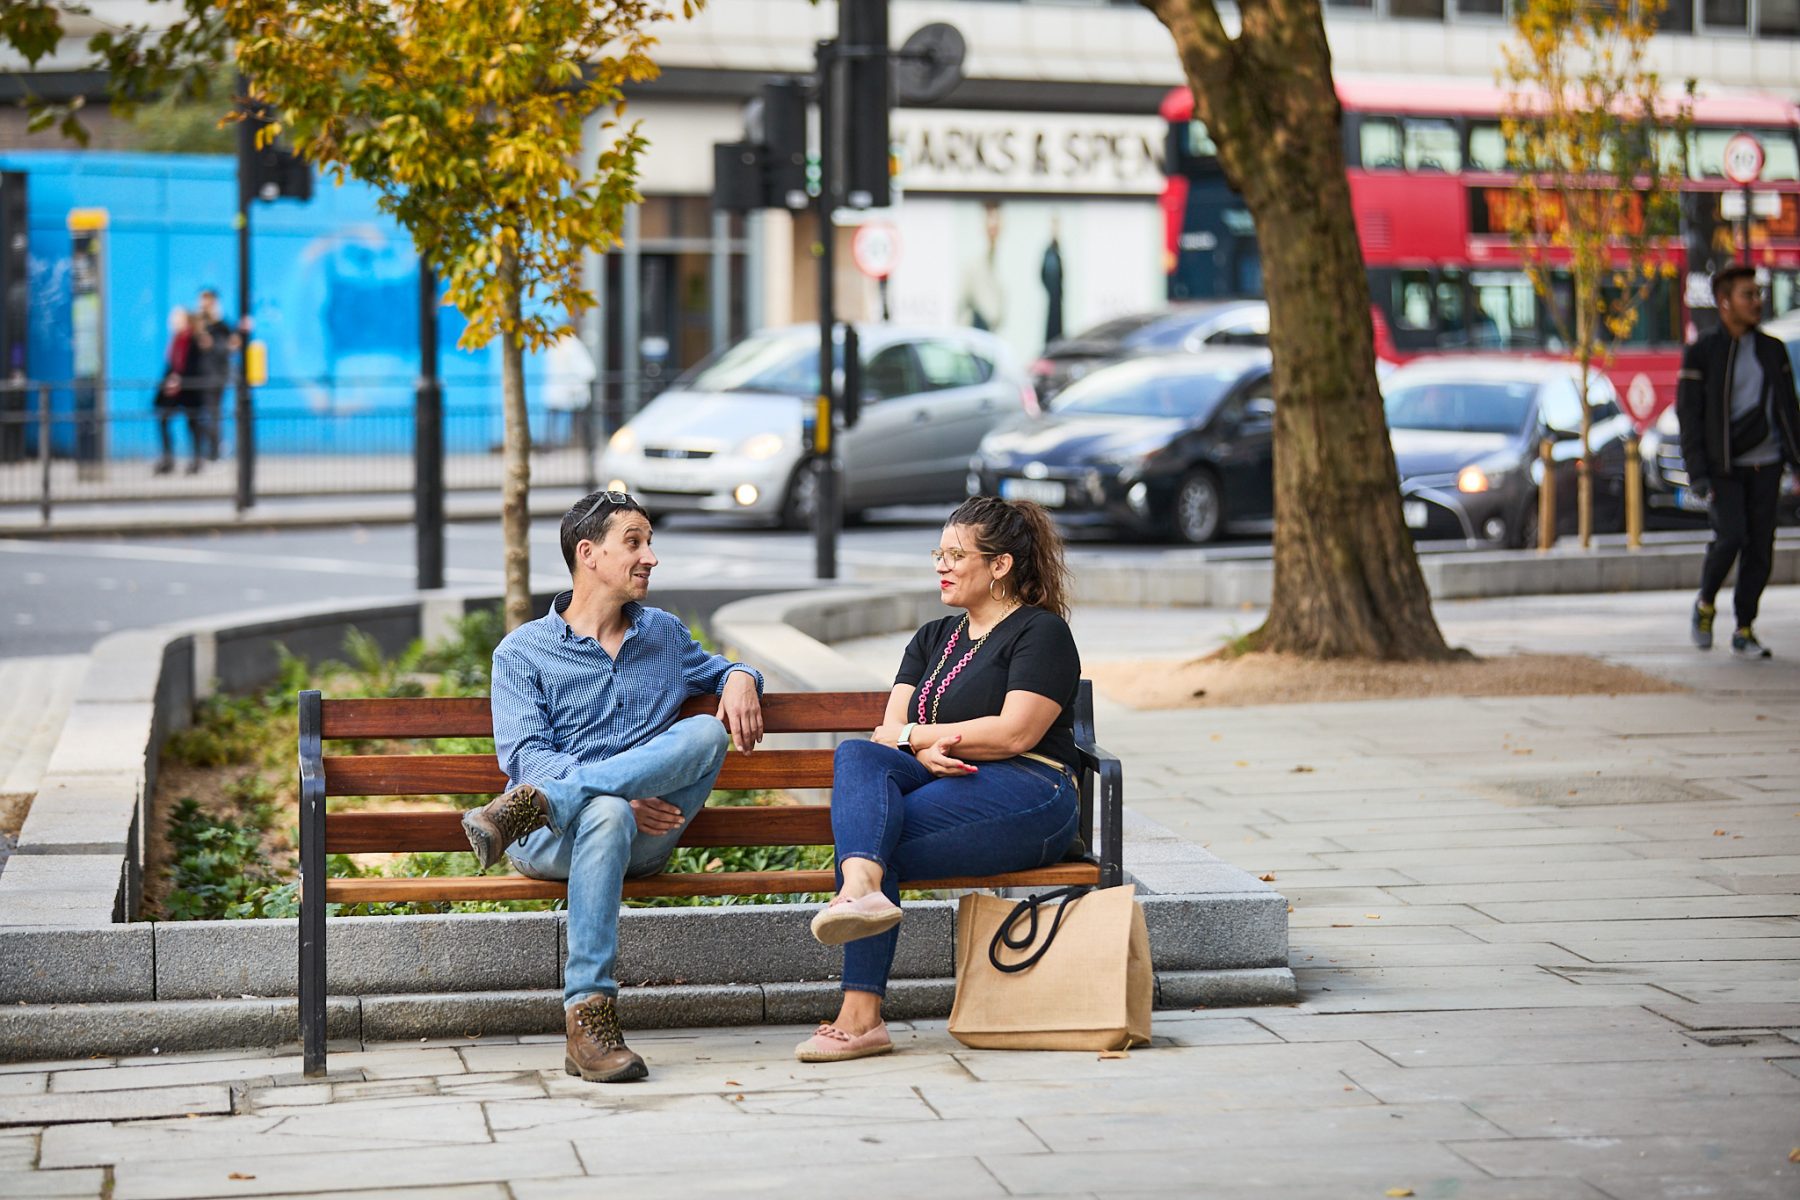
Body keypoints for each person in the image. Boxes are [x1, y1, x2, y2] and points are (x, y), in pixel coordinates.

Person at [465, 489, 766, 1083]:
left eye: (650, 542)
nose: (650, 555)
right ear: (589, 554)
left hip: (634, 834)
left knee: (706, 733)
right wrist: (614, 798)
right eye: (634, 542)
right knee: (605, 815)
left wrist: (741, 676)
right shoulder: (522, 653)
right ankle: (589, 1019)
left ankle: (549, 805)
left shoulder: (664, 635)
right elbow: (528, 758)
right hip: (548, 839)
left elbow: (719, 672)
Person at [795, 495, 1082, 1063]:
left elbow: (1014, 734)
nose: (941, 566)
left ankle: (860, 1015)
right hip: (943, 781)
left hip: (1032, 790)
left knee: (876, 843)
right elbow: (888, 733)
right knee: (857, 757)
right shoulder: (932, 638)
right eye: (939, 553)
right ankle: (861, 892)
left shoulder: (1040, 634)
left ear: (1000, 565)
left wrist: (918, 738)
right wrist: (919, 748)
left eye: (956, 554)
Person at [1679, 265, 1800, 658]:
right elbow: (1690, 416)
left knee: (1760, 550)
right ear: (1724, 302)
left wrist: (1797, 463)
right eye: (1749, 295)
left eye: (1759, 294)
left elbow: (1788, 412)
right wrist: (1697, 471)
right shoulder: (1703, 353)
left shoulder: (1772, 350)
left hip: (1767, 466)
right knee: (1730, 536)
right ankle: (1705, 603)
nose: (1757, 302)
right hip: (1725, 469)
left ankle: (1744, 628)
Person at [153, 306, 204, 475]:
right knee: (164, 419)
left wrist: (180, 379)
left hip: (190, 388)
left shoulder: (194, 339)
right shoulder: (175, 340)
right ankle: (168, 458)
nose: (173, 322)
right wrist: (168, 380)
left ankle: (197, 460)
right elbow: (171, 364)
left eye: (176, 319)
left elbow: (195, 365)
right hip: (175, 390)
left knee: (193, 425)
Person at [194, 288, 241, 462]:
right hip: (197, 375)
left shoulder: (221, 326)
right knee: (196, 415)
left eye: (206, 301)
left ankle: (214, 450)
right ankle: (206, 450)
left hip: (216, 375)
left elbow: (231, 346)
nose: (202, 305)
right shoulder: (199, 324)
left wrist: (213, 344)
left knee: (212, 414)